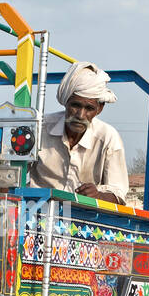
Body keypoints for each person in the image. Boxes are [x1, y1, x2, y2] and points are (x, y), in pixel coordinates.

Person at [27, 61, 129, 204]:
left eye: (89, 108)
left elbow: (118, 193)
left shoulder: (108, 138)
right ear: (66, 102)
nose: (81, 115)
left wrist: (98, 196)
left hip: (84, 219)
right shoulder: (39, 129)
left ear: (99, 109)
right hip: (36, 211)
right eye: (75, 105)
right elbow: (11, 175)